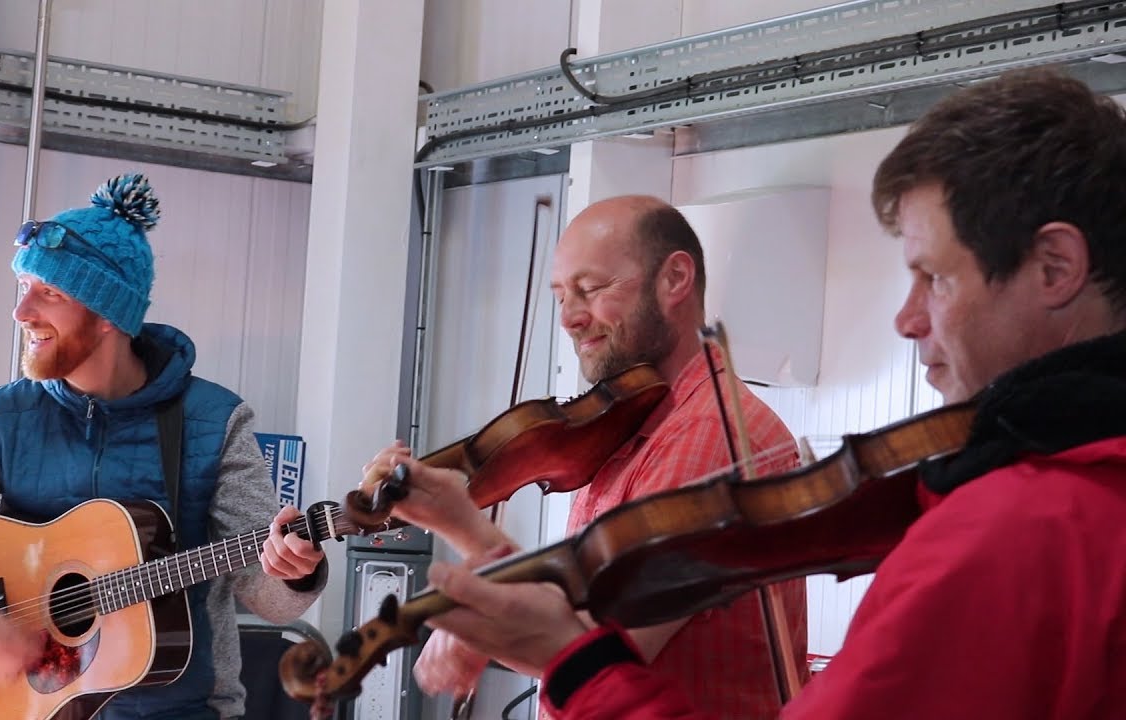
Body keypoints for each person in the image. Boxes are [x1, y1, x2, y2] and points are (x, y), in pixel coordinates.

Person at [411, 68, 1126, 718]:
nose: (906, 321)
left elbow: (606, 633)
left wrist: (558, 647)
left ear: (1055, 268)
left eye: (934, 278)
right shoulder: (1068, 491)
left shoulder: (1013, 525)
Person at [0, 173, 327, 720]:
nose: (21, 312)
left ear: (107, 316)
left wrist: (296, 567)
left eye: (48, 293)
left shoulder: (214, 422)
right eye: (24, 288)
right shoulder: (5, 419)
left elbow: (267, 596)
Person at [364, 194, 809, 718]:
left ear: (675, 280)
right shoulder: (629, 428)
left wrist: (480, 598)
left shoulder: (711, 435)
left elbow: (599, 644)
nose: (570, 319)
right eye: (560, 296)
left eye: (591, 289)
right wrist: (460, 526)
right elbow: (577, 608)